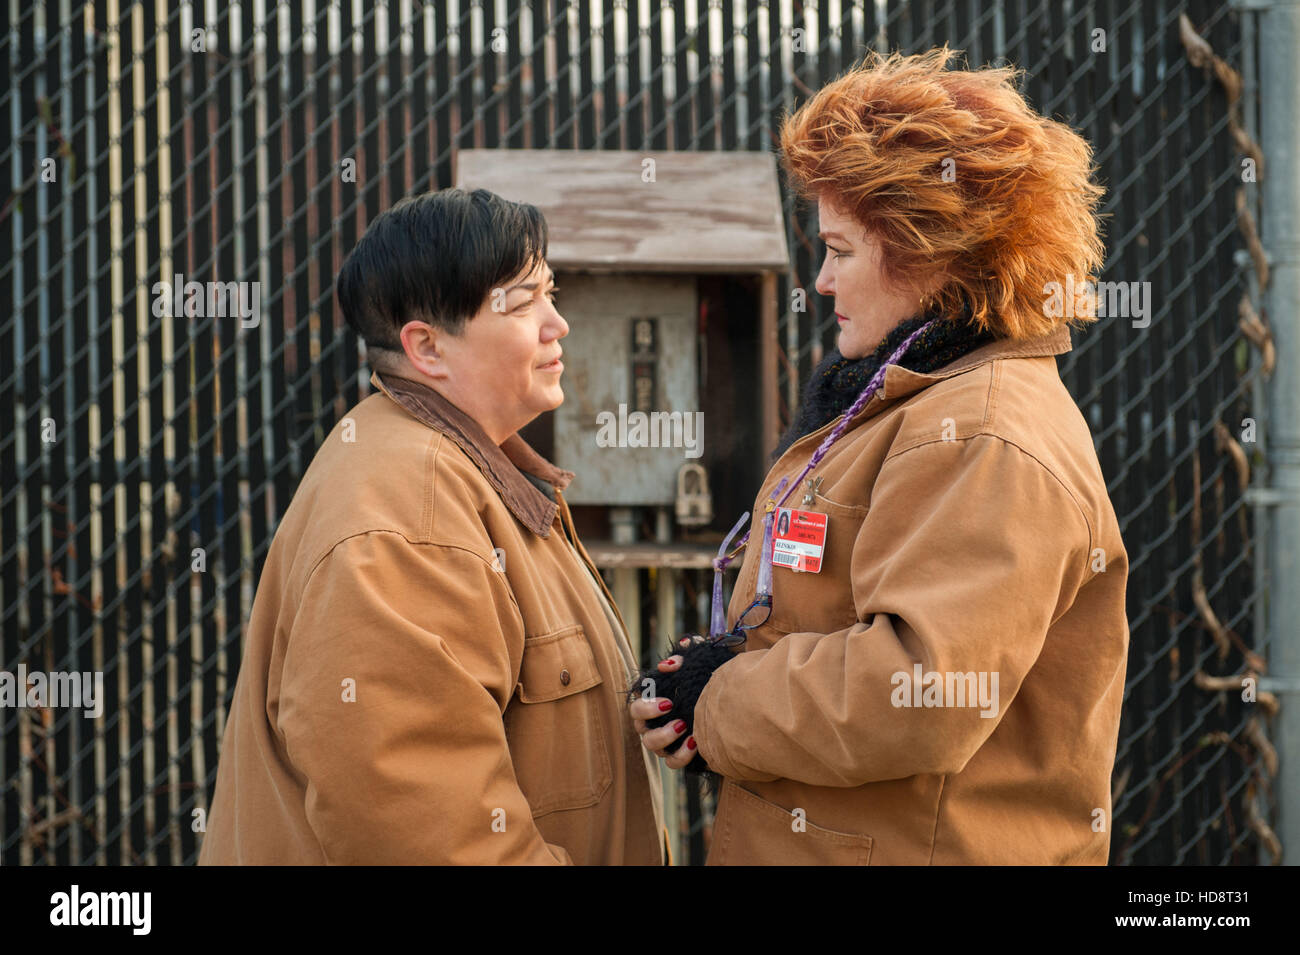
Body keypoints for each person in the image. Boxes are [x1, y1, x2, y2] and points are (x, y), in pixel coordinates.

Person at [630, 46, 1129, 865]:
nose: (822, 280)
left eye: (841, 249)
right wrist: (719, 671)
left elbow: (919, 688)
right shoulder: (914, 398)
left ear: (928, 252)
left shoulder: (982, 436)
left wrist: (720, 700)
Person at [201, 187, 665, 865]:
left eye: (551, 293)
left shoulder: (461, 470)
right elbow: (432, 837)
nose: (557, 324)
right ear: (427, 347)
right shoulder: (410, 518)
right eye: (522, 303)